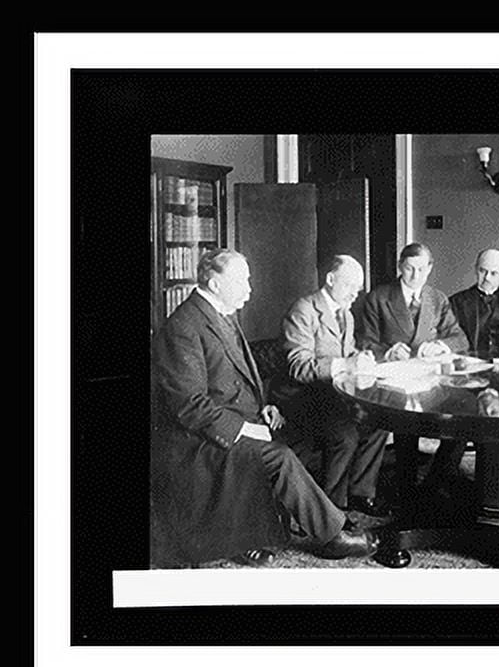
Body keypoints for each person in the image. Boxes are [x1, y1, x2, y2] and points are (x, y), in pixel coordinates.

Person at [150, 249, 376, 568]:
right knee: (279, 456)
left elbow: (237, 379)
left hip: (232, 421)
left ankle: (270, 528)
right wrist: (245, 427)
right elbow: (188, 405)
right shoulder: (184, 326)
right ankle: (331, 536)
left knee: (306, 438)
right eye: (242, 280)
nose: (250, 288)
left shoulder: (219, 314)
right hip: (196, 444)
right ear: (214, 284)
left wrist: (264, 406)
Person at [270, 255, 391, 518]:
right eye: (350, 287)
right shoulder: (303, 310)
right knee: (344, 435)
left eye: (358, 290)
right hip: (300, 398)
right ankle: (330, 511)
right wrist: (345, 364)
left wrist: (362, 359)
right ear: (330, 279)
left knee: (379, 422)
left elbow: (346, 352)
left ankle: (360, 493)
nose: (355, 295)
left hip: (331, 396)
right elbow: (298, 367)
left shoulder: (345, 313)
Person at [358, 242, 469, 498]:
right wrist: (386, 350)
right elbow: (364, 341)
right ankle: (406, 491)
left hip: (432, 384)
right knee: (404, 428)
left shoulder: (437, 298)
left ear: (430, 269)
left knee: (459, 427)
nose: (415, 275)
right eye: (409, 269)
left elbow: (460, 339)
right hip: (392, 383)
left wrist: (440, 345)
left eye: (421, 269)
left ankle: (434, 483)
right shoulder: (379, 297)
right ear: (400, 266)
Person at [426, 248, 499, 485]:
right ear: (476, 269)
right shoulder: (457, 301)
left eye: (494, 272)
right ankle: (438, 483)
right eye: (483, 271)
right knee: (459, 426)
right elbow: (452, 340)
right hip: (467, 375)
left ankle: (498, 484)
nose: (487, 277)